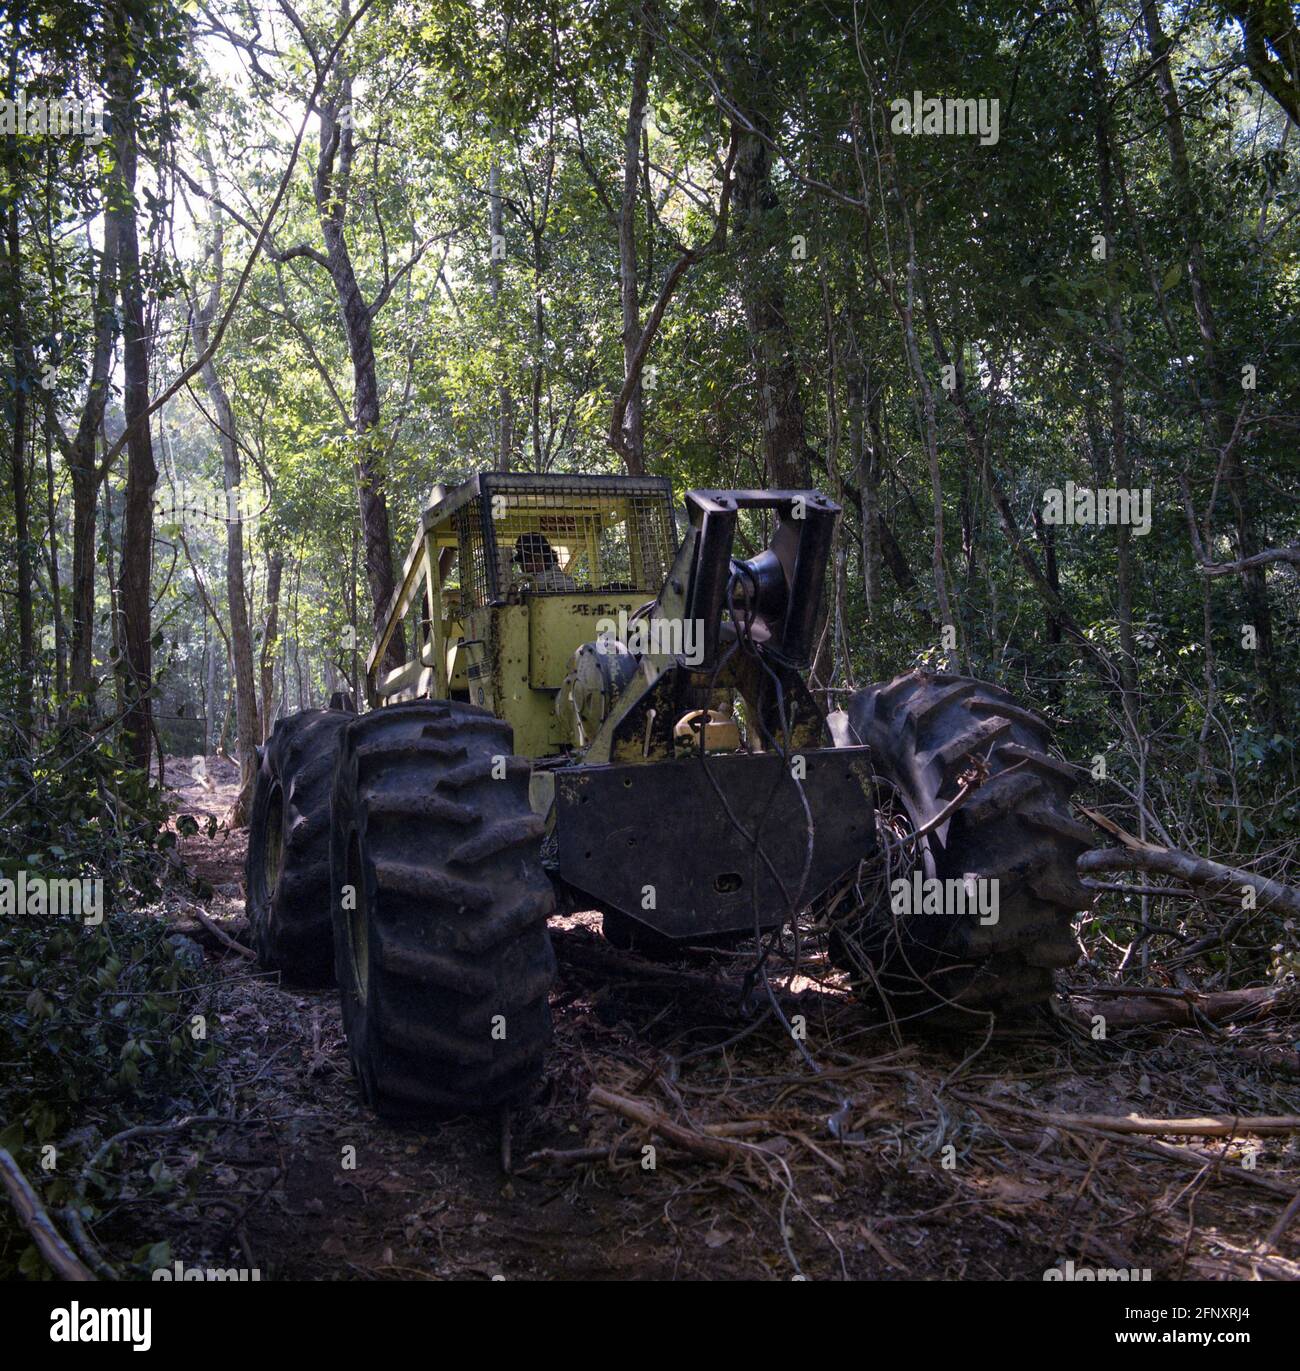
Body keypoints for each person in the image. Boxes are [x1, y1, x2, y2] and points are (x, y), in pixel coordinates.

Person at [511, 531, 577, 591]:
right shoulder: (529, 586)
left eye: (535, 560)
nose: (528, 568)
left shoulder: (560, 583)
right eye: (524, 563)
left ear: (547, 560)